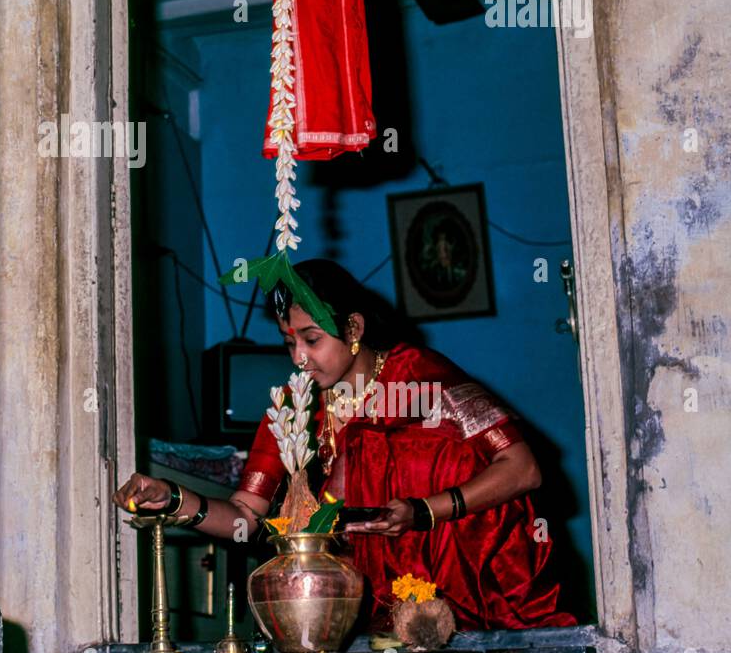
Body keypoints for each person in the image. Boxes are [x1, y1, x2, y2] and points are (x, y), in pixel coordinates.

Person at [113, 258, 576, 631]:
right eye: (289, 343)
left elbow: (522, 468)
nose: (299, 358)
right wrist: (174, 499)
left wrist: (424, 510)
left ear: (353, 329)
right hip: (375, 610)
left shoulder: (419, 376)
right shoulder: (294, 409)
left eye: (312, 339)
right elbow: (247, 520)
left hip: (486, 593)